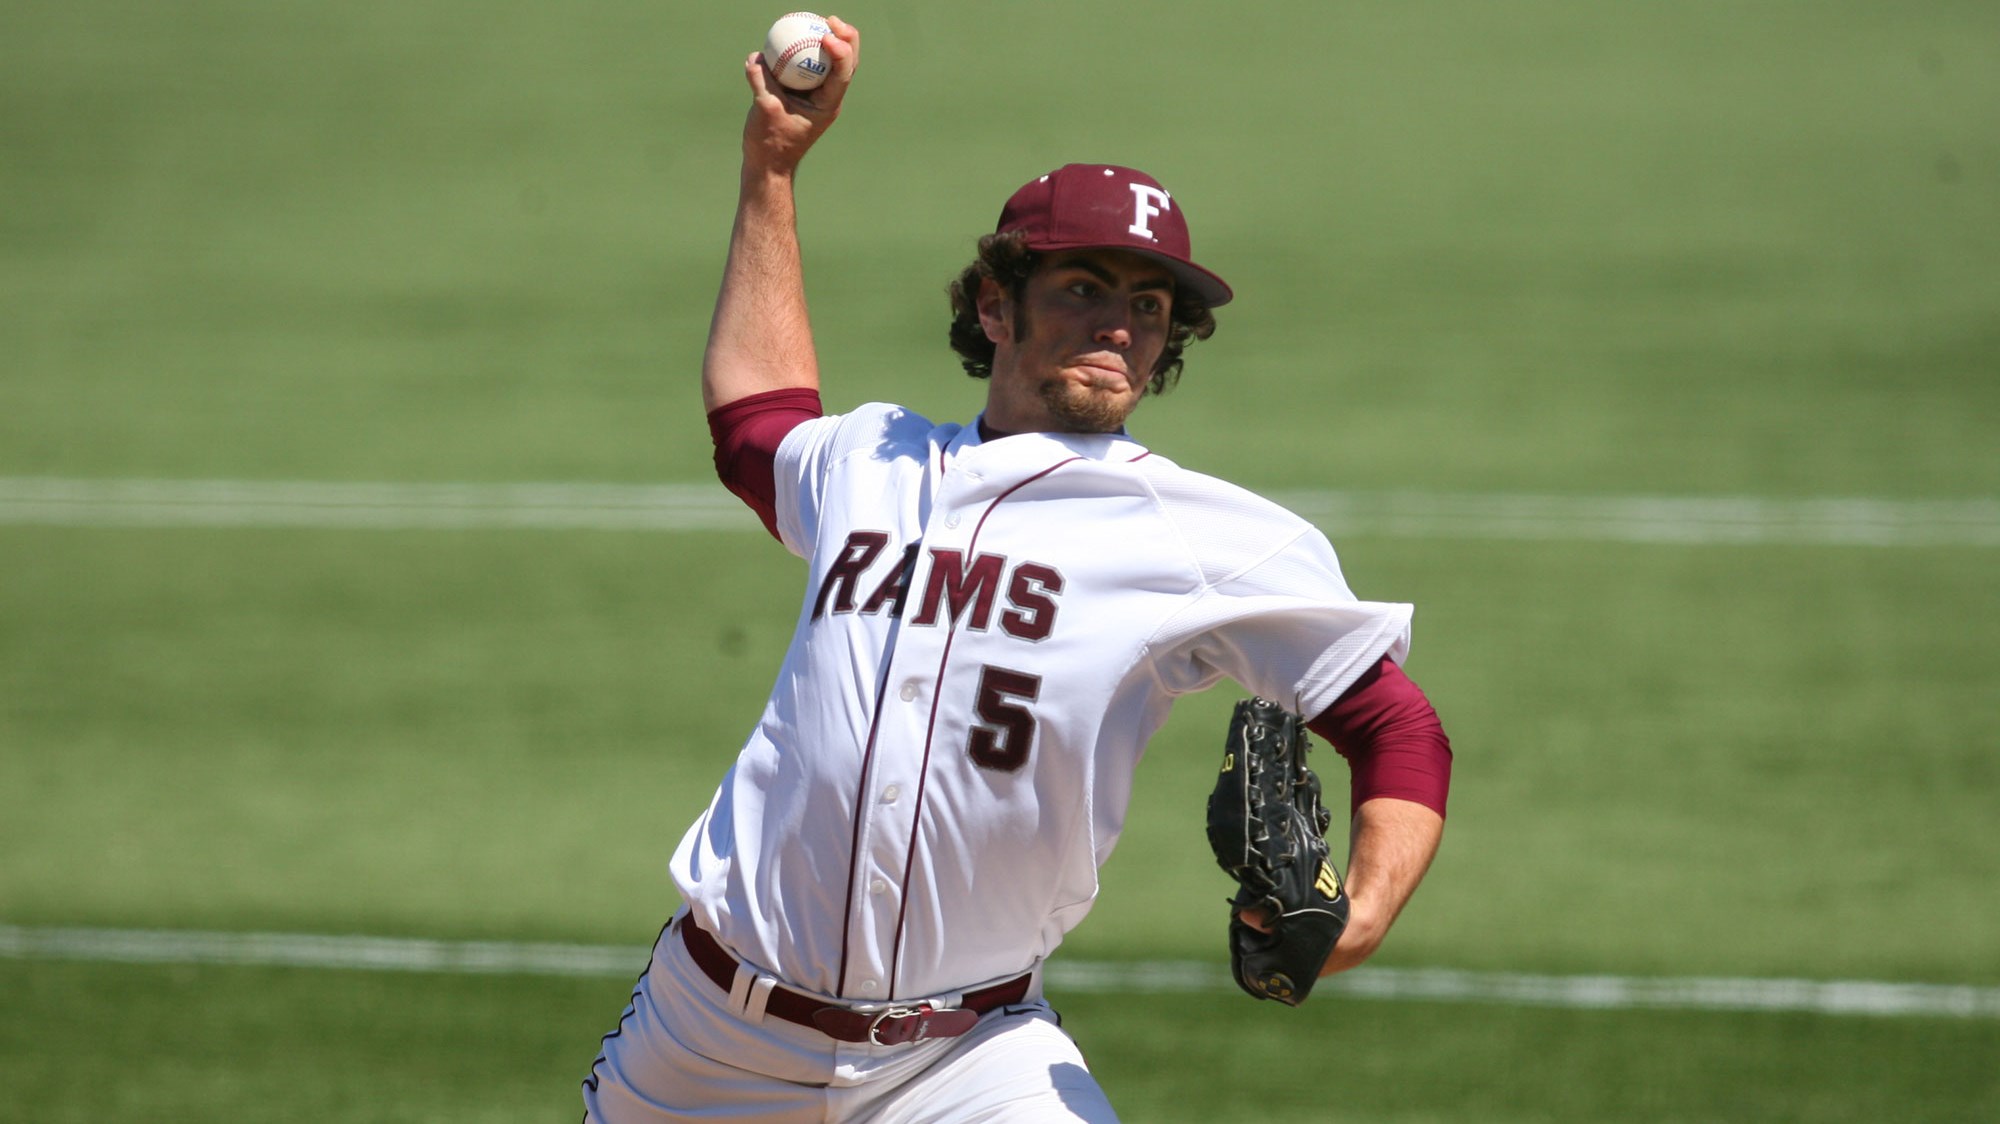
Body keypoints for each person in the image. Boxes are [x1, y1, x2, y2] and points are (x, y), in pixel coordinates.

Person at [583, 16, 1452, 1122]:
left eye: (1147, 307)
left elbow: (1398, 729)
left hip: (969, 1056)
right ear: (994, 305)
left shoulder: (1207, 535)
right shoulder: (872, 457)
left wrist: (1361, 913)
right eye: (1084, 287)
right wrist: (771, 169)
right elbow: (754, 427)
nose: (1119, 325)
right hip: (707, 1041)